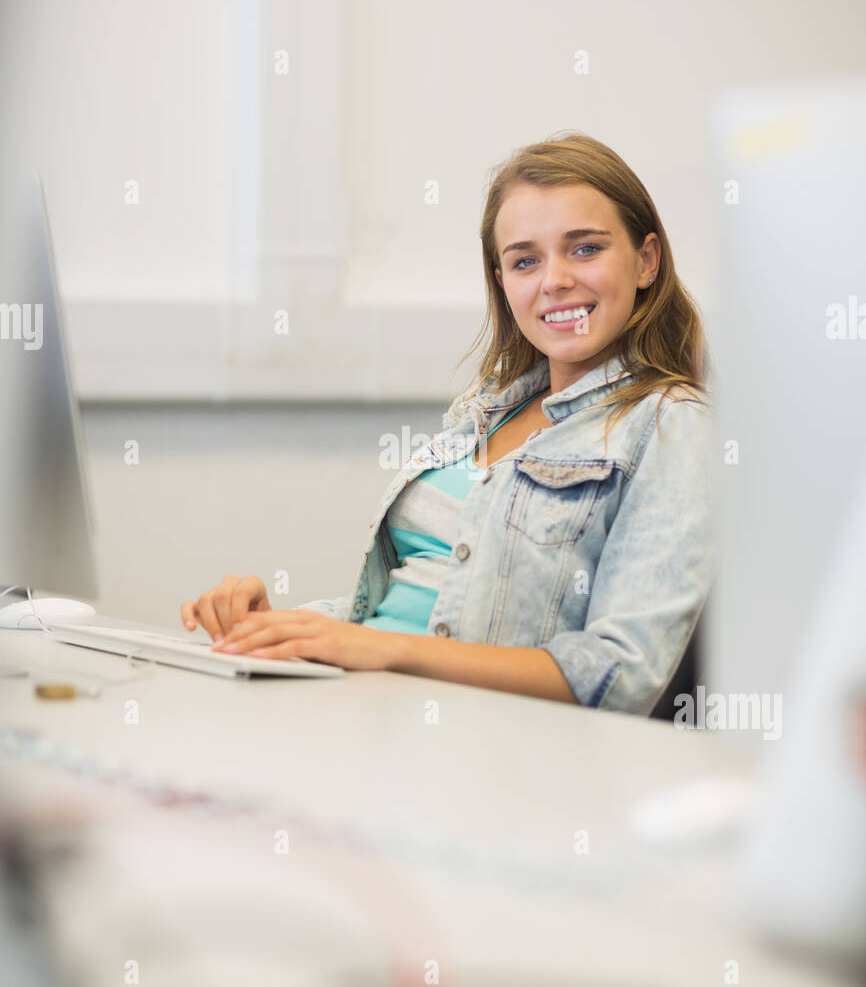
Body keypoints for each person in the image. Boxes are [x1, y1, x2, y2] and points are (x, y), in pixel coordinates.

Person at [180, 132, 715, 713]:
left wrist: (385, 651)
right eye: (525, 260)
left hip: (478, 745)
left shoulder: (671, 426)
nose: (554, 279)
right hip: (374, 707)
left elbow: (623, 673)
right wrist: (284, 628)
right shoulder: (488, 408)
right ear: (502, 280)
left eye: (585, 249)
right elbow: (420, 601)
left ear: (646, 261)